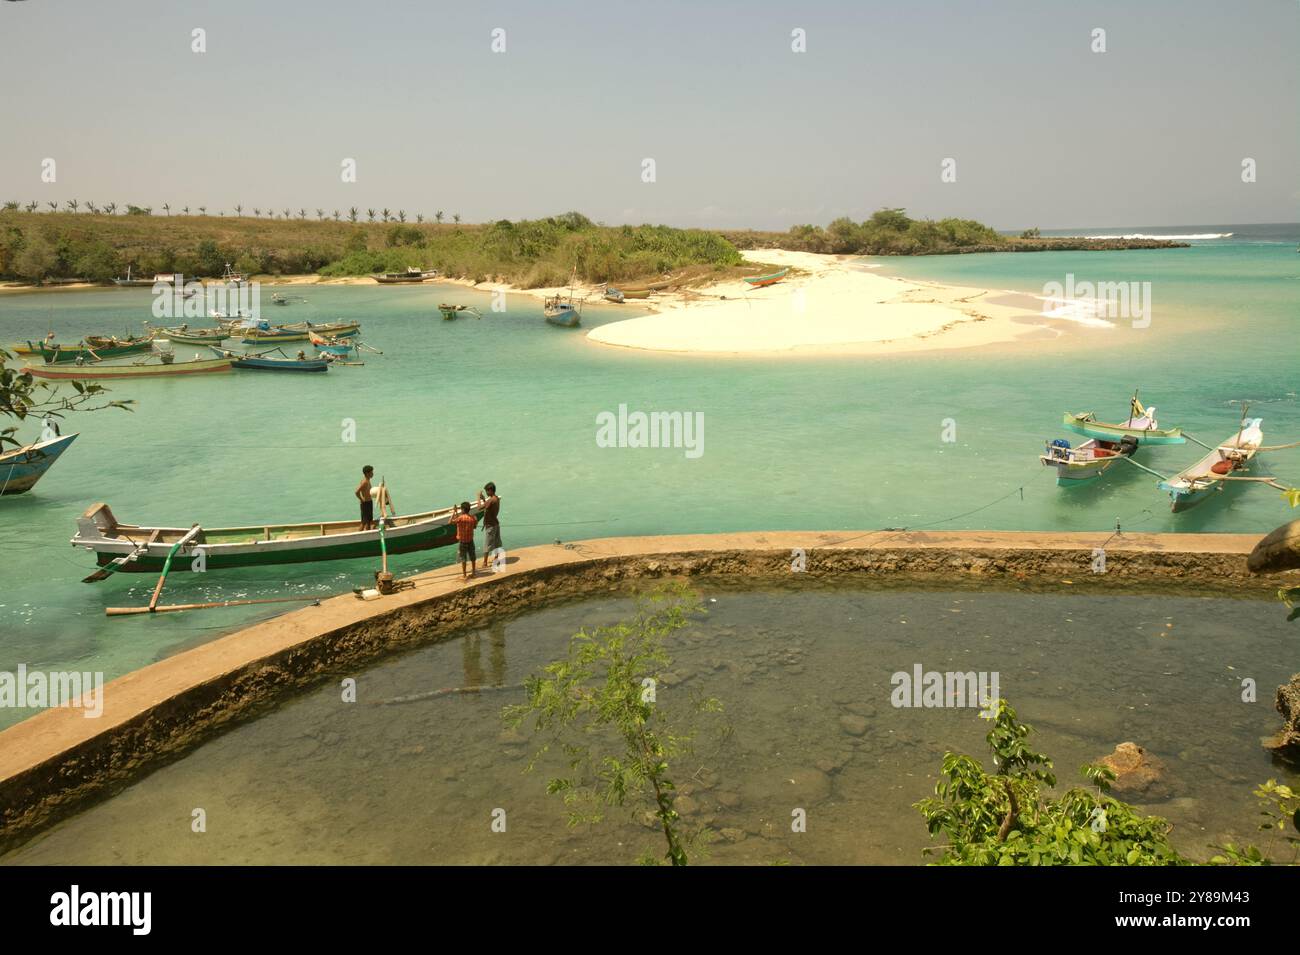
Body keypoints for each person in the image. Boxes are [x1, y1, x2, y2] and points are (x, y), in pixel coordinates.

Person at [477, 482, 502, 571]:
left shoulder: (491, 500)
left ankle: (485, 562)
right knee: (496, 542)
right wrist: (484, 499)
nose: (486, 493)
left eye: (487, 491)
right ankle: (496, 558)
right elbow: (488, 507)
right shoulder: (496, 498)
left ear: (490, 490)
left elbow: (479, 508)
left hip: (490, 525)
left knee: (487, 544)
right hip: (496, 523)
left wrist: (478, 498)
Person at [452, 501, 478, 580]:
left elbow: (451, 521)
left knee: (463, 558)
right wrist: (476, 520)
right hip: (470, 541)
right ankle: (473, 572)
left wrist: (454, 512)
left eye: (461, 509)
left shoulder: (460, 518)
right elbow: (474, 527)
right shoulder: (472, 518)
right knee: (472, 557)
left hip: (463, 542)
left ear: (463, 509)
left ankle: (464, 575)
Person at [356, 466, 376, 530]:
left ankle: (366, 533)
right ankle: (362, 534)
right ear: (367, 473)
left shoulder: (367, 480)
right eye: (371, 472)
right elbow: (357, 492)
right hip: (366, 503)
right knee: (365, 522)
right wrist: (361, 499)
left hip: (368, 502)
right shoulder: (364, 481)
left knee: (367, 521)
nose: (373, 474)